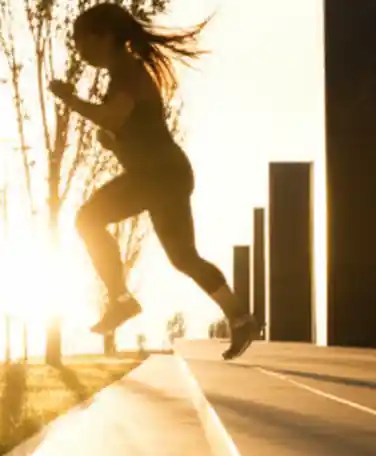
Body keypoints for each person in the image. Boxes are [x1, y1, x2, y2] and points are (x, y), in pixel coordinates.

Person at [49, 3, 260, 361]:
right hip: (161, 174)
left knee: (88, 219)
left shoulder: (128, 72)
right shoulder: (123, 74)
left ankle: (121, 299)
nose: (78, 50)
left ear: (105, 37)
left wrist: (72, 100)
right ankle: (240, 318)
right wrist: (115, 146)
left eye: (82, 41)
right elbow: (130, 133)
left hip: (159, 176)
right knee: (184, 258)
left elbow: (112, 117)